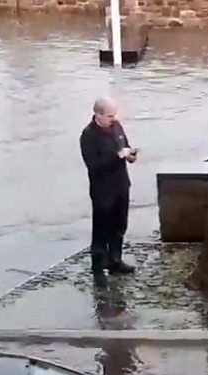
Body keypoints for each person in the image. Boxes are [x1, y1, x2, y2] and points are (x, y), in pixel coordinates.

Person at [79, 97, 138, 286]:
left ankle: (115, 261)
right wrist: (116, 156)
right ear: (97, 114)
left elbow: (125, 146)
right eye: (109, 116)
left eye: (114, 115)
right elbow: (93, 165)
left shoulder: (117, 126)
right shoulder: (88, 135)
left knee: (120, 225)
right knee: (102, 227)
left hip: (121, 184)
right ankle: (97, 265)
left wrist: (130, 155)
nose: (113, 119)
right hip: (102, 188)